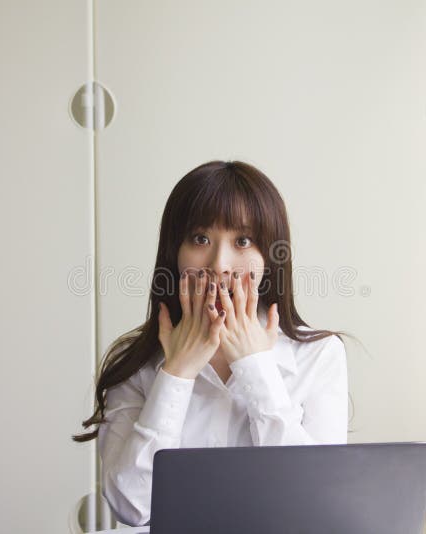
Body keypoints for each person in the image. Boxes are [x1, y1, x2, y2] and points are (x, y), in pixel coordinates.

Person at [72, 160, 356, 527]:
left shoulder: (319, 355)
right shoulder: (138, 364)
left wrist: (255, 368)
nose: (220, 264)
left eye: (243, 241)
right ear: (175, 252)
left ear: (268, 256)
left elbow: (318, 507)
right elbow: (133, 506)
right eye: (200, 239)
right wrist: (176, 374)